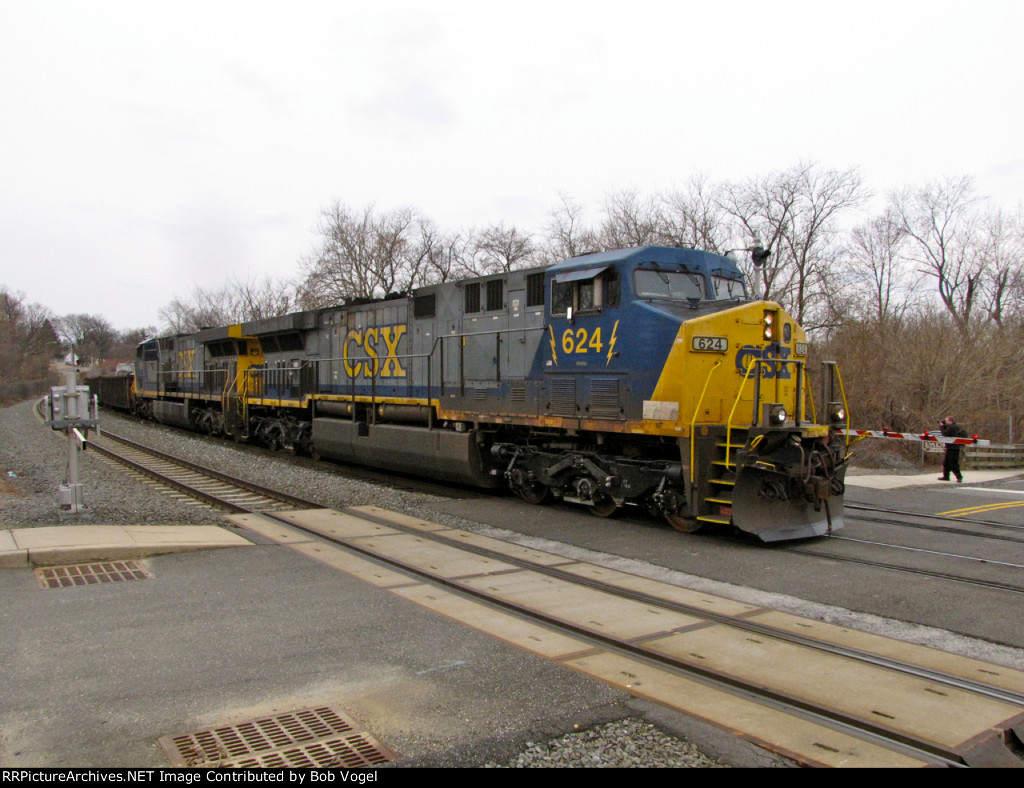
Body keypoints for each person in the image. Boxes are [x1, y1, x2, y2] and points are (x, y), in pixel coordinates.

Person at [938, 417, 966, 483]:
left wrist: (942, 426)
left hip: (953, 448)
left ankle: (959, 476)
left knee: (953, 463)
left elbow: (945, 434)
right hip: (951, 447)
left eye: (946, 420)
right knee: (946, 463)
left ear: (951, 421)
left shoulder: (952, 427)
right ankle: (946, 476)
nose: (945, 422)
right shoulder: (954, 427)